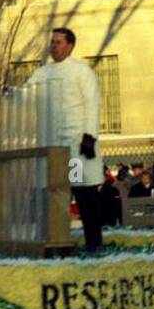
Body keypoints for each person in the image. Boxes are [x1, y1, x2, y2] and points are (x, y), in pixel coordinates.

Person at [28, 27, 106, 251]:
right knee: (56, 194)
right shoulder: (42, 73)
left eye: (59, 42)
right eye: (52, 42)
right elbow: (27, 94)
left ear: (70, 45)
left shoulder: (82, 71)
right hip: (53, 146)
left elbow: (92, 103)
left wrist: (90, 136)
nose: (54, 46)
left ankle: (94, 242)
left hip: (76, 145)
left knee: (83, 193)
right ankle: (57, 241)